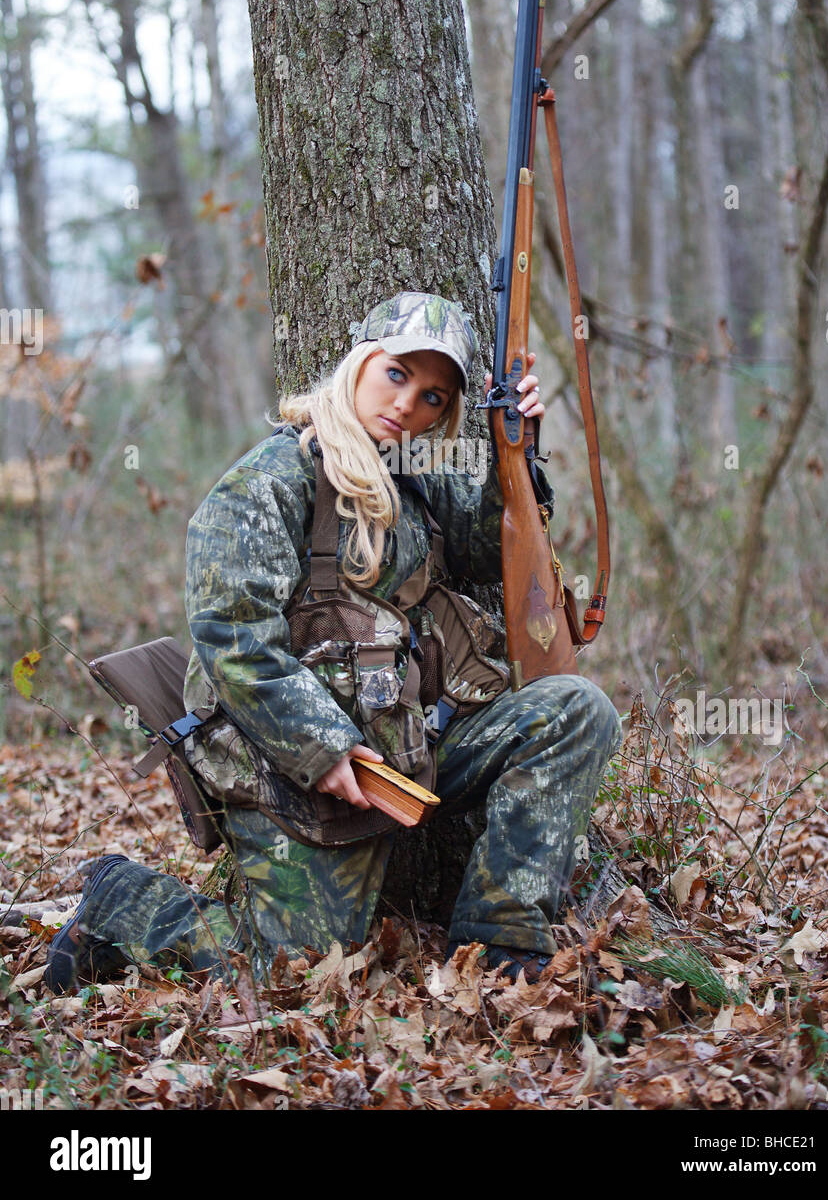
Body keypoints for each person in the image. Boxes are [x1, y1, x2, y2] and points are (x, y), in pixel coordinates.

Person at [45, 292, 620, 994]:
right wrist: (321, 748)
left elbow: (497, 549)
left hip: (406, 752)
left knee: (575, 709)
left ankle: (500, 938)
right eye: (397, 374)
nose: (410, 404)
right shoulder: (269, 482)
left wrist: (518, 451)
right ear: (358, 364)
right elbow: (232, 634)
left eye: (435, 395)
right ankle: (122, 900)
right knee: (298, 972)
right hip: (289, 768)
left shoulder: (416, 489)